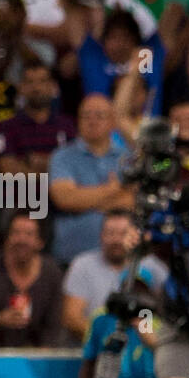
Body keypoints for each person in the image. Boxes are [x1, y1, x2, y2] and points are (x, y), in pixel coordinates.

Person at [48, 94, 134, 266]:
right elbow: (65, 199)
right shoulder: (62, 156)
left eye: (100, 116)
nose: (92, 121)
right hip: (70, 258)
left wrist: (85, 198)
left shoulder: (129, 158)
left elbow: (133, 201)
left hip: (122, 259)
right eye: (86, 116)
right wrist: (113, 190)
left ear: (113, 122)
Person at [62, 210, 166, 342]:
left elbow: (165, 314)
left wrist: (145, 340)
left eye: (123, 233)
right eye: (110, 233)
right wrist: (105, 340)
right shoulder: (82, 264)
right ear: (101, 235)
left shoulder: (152, 267)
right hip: (95, 346)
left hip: (144, 347)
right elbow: (72, 318)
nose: (116, 240)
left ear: (134, 235)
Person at [0, 214, 64, 347]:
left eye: (28, 234)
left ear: (40, 242)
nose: (21, 239)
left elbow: (54, 327)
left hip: (33, 351)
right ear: (7, 238)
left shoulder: (51, 273)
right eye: (16, 233)